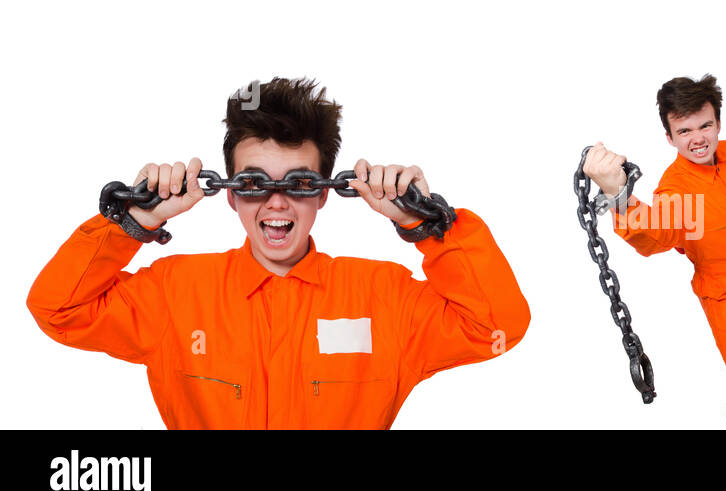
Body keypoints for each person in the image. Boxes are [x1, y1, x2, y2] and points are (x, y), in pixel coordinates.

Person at [27, 77, 531, 429]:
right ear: (229, 192)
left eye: (299, 183)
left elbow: (497, 328)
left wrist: (428, 224)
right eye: (252, 183)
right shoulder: (174, 294)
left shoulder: (386, 299)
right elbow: (57, 310)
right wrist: (133, 220)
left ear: (324, 192)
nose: (276, 202)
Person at [583, 75, 726, 430]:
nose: (698, 139)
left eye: (705, 125)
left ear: (718, 123)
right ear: (669, 137)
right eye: (684, 131)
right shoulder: (679, 190)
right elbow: (657, 235)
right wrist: (618, 197)